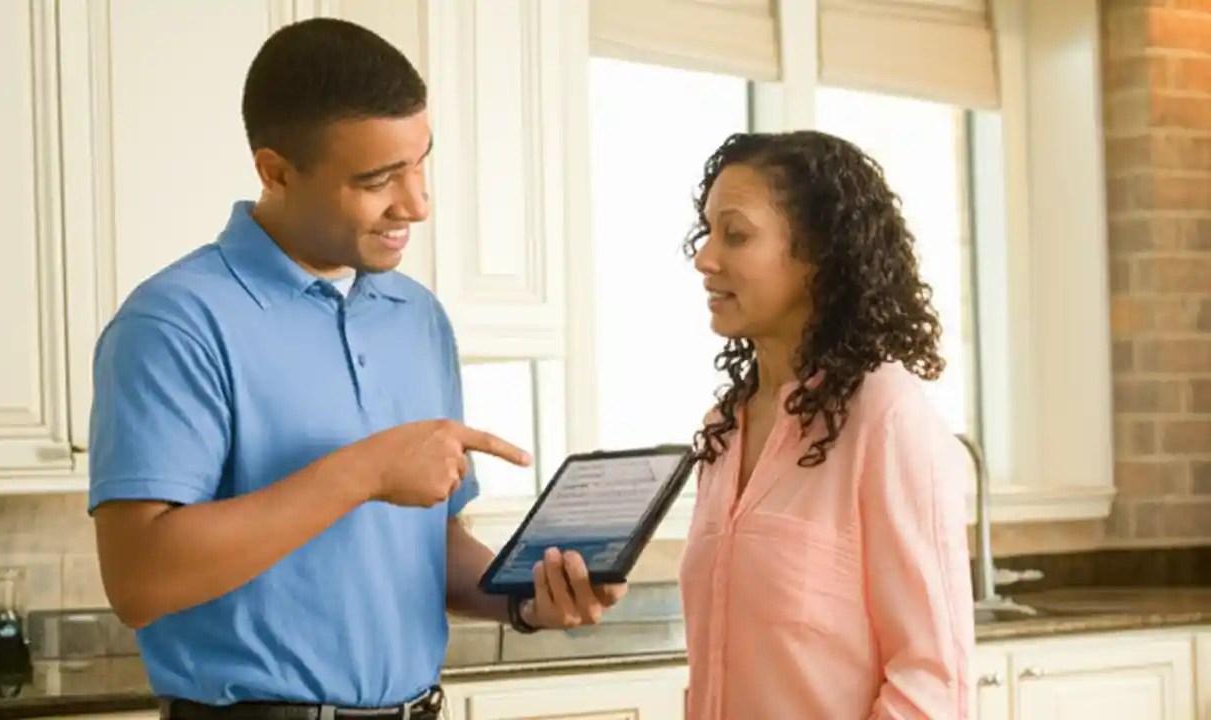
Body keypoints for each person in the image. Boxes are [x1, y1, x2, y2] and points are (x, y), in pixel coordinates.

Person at [88, 18, 624, 719]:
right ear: (275, 171)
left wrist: (526, 598)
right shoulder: (175, 322)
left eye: (420, 163)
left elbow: (428, 547)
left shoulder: (416, 317)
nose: (417, 204)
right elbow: (140, 581)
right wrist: (363, 472)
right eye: (377, 180)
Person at [678, 131, 976, 719]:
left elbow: (933, 683)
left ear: (819, 257)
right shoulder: (725, 428)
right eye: (707, 231)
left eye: (735, 235)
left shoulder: (884, 415)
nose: (705, 258)